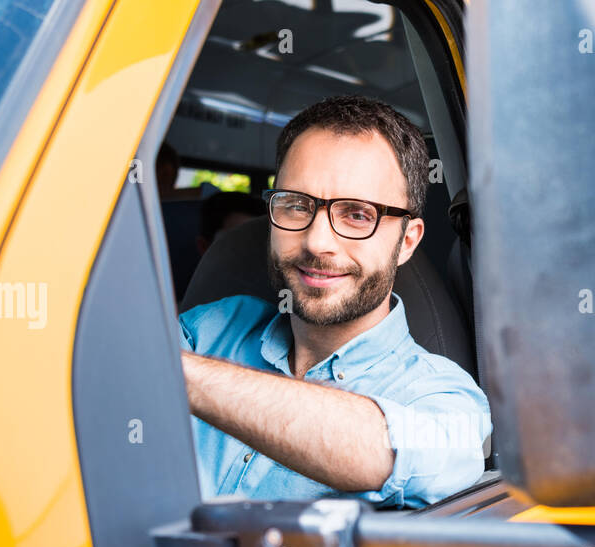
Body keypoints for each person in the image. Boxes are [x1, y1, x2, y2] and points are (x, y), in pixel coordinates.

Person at [178, 95, 490, 507]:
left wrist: (178, 376)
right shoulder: (209, 329)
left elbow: (390, 452)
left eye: (358, 214)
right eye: (295, 205)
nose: (317, 241)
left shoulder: (442, 396)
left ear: (407, 242)